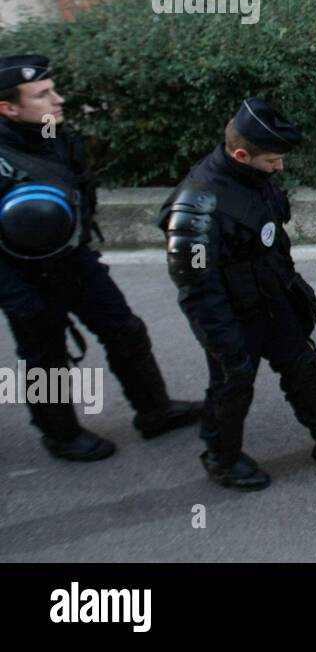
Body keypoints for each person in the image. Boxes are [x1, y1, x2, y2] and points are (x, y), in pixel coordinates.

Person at [159, 99, 316, 490]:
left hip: (271, 299)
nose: (279, 168)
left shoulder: (253, 177)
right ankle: (222, 458)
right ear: (241, 154)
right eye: (271, 161)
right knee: (232, 385)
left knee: (302, 367)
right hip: (230, 314)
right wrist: (223, 340)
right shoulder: (197, 204)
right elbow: (195, 286)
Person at [0, 54, 201, 462]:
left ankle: (155, 411)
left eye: (53, 89)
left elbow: (79, 196)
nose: (57, 99)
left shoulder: (55, 135)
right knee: (45, 359)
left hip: (74, 261)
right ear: (8, 108)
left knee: (125, 330)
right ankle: (61, 435)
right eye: (42, 95)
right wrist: (16, 296)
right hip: (21, 278)